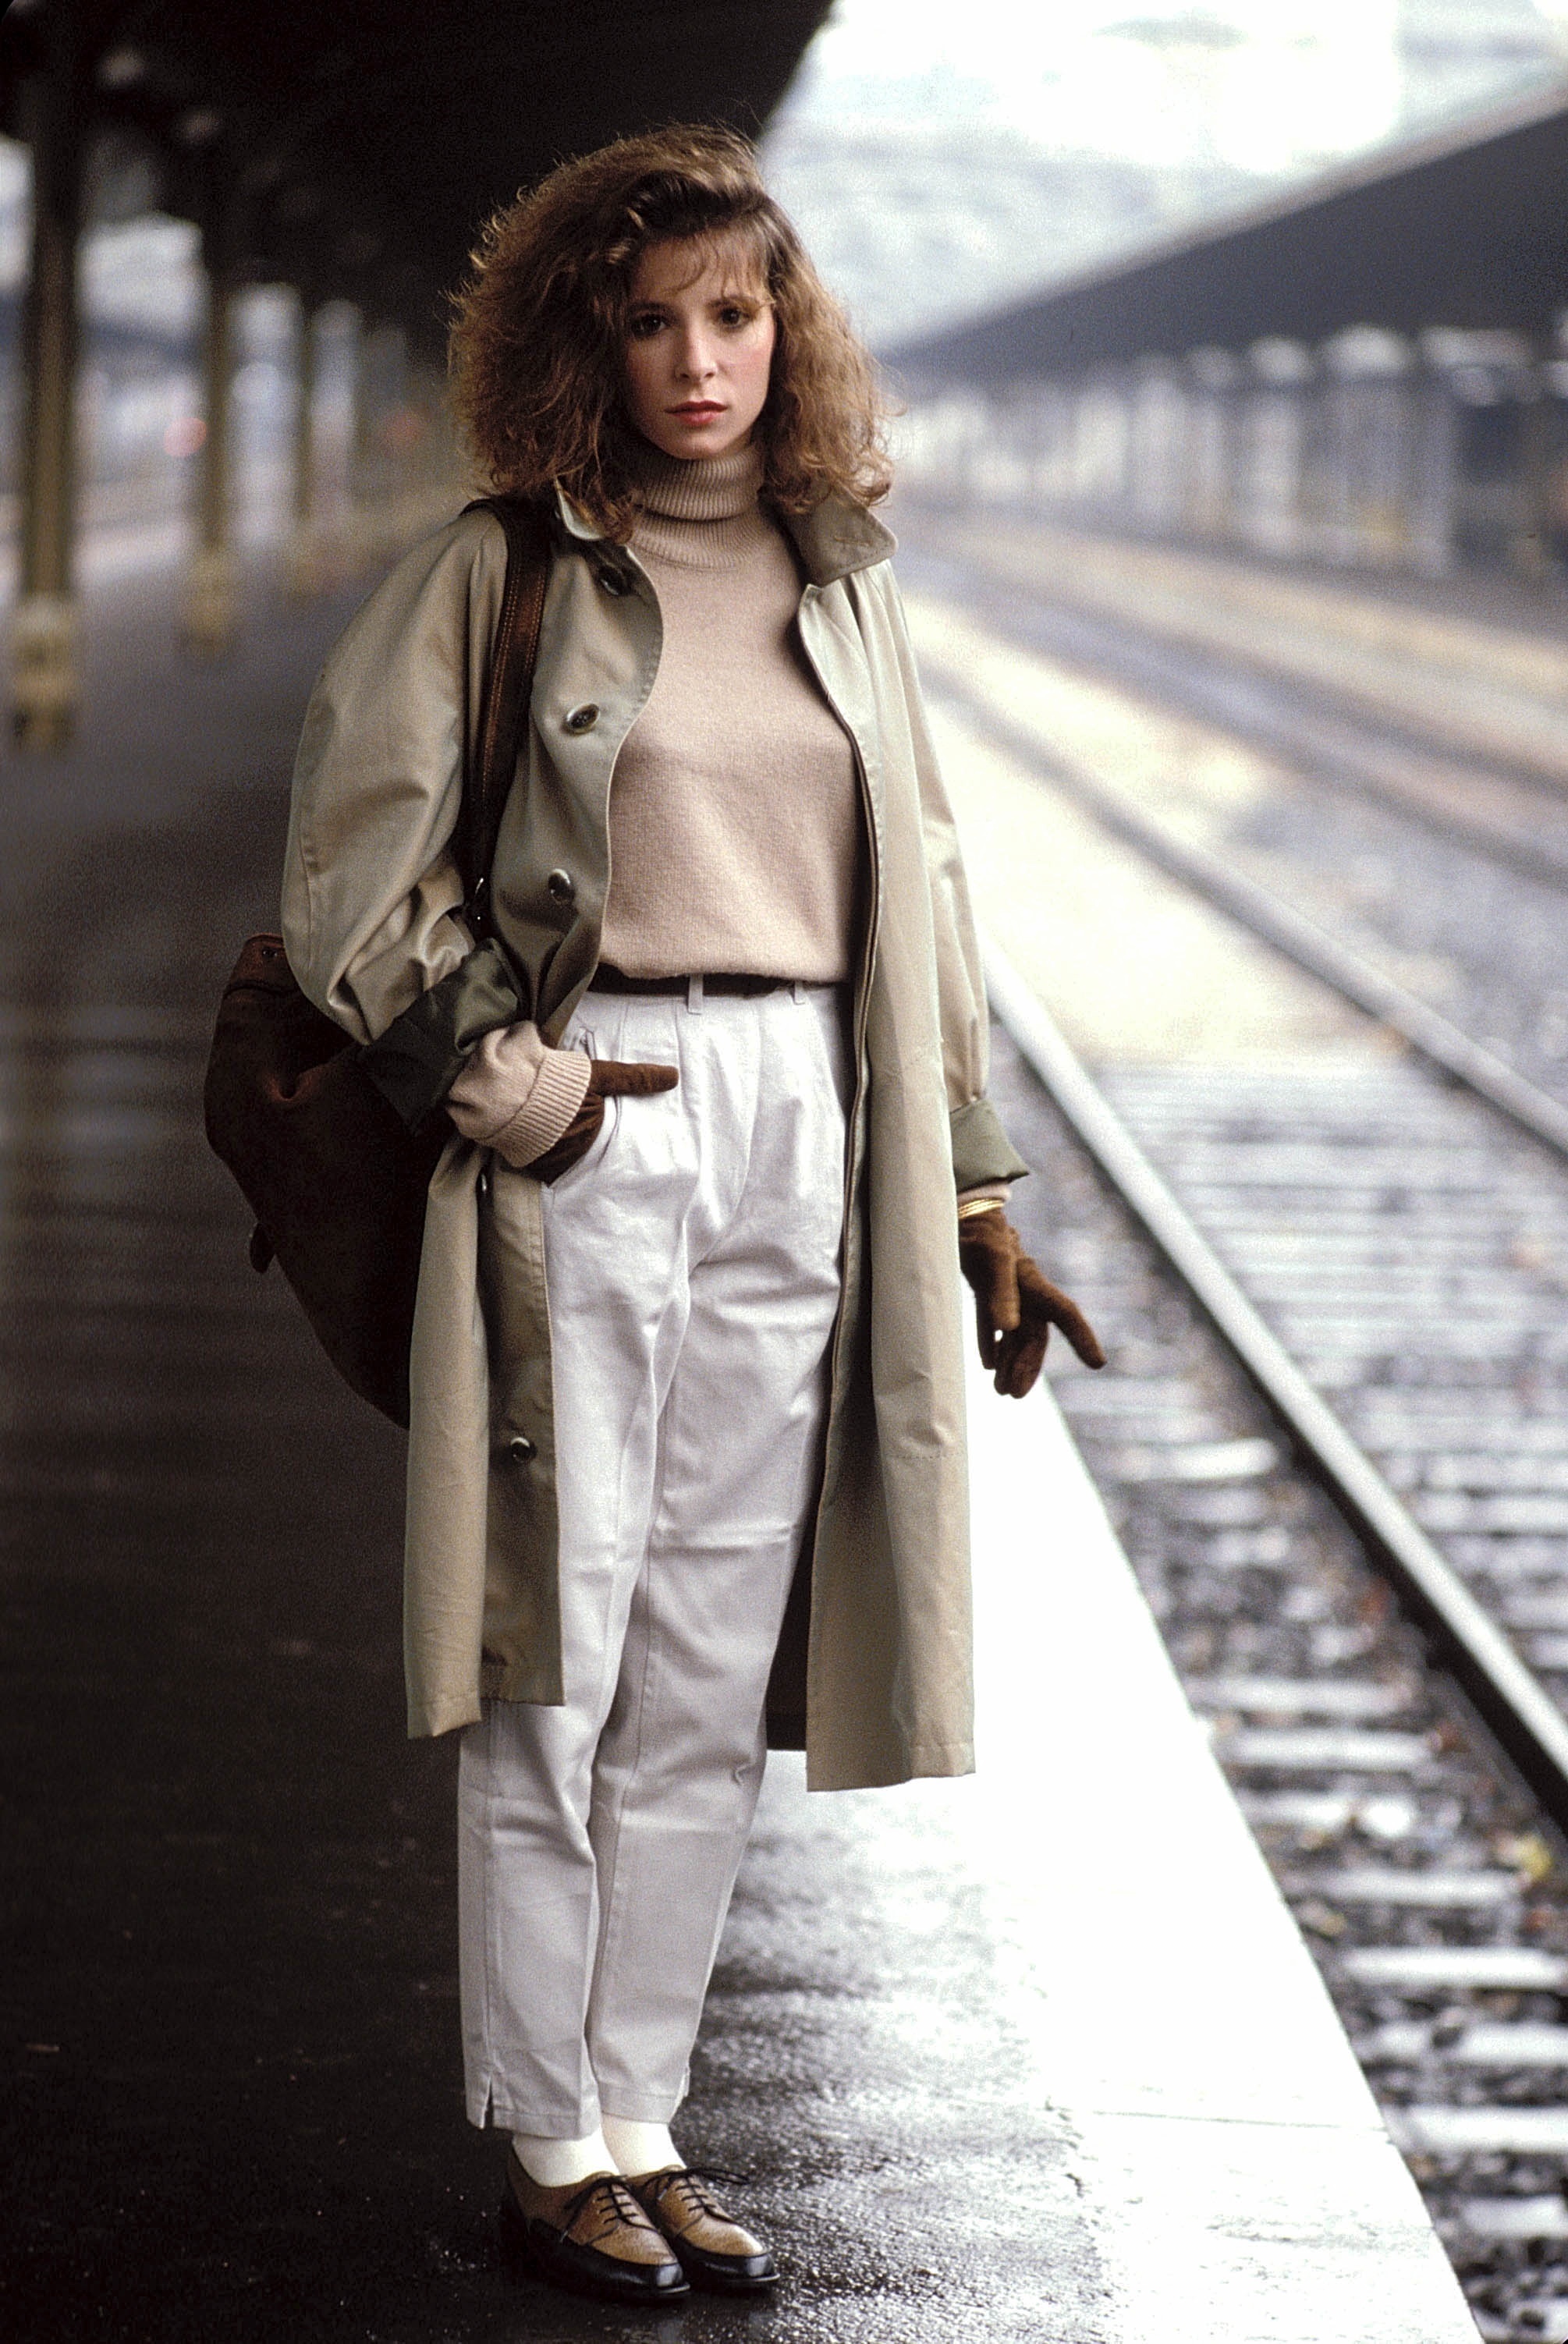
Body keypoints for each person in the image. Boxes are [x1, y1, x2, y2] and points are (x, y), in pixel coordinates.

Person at [282, 124, 1103, 2308]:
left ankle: (642, 2116)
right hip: (597, 1110)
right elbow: (354, 880)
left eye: (733, 314)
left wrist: (976, 1182)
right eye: (648, 322)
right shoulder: (506, 569)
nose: (697, 361)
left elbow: (917, 889)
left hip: (805, 1124)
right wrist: (515, 1092)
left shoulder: (845, 580)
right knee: (560, 1633)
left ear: (788, 330)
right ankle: (547, 2133)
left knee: (710, 1645)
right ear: (586, 344)